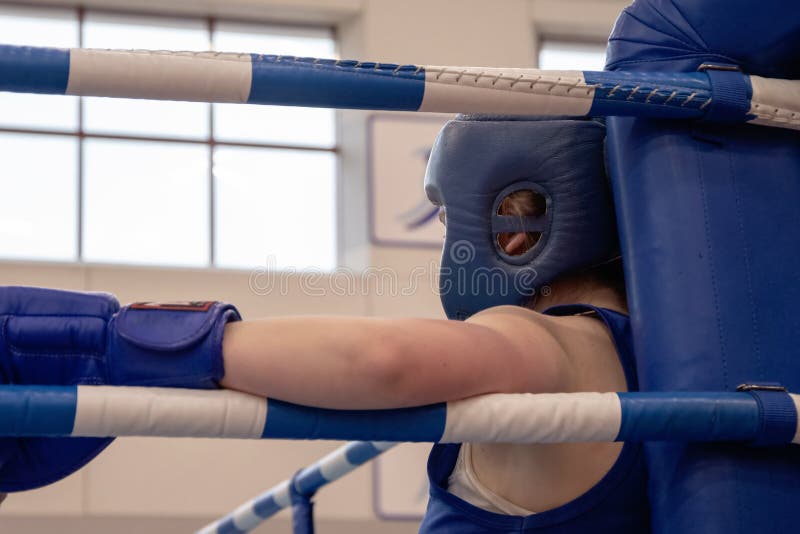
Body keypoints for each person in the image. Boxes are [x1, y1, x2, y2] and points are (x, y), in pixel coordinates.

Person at [0, 117, 649, 532]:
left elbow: (385, 360)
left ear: (514, 233)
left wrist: (127, 347)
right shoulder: (648, 358)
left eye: (450, 224)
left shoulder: (549, 342)